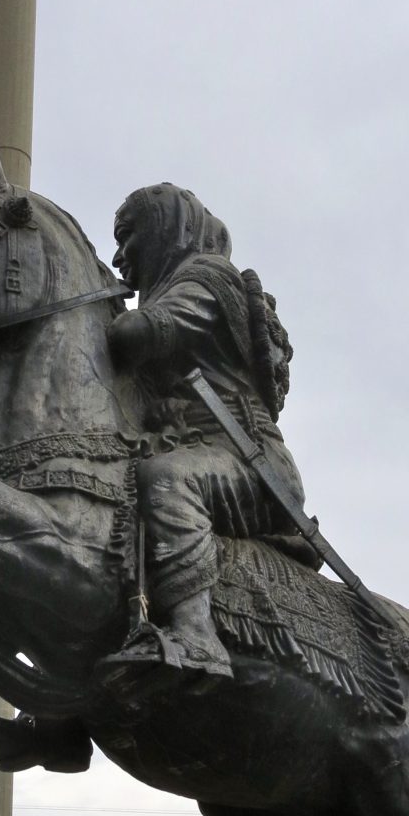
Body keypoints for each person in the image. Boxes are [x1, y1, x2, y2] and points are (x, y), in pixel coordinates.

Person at [97, 182, 307, 697]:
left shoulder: (207, 278)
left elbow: (138, 334)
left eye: (129, 238)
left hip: (249, 461)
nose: (121, 255)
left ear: (166, 229)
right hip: (193, 449)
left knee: (166, 481)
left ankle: (197, 637)